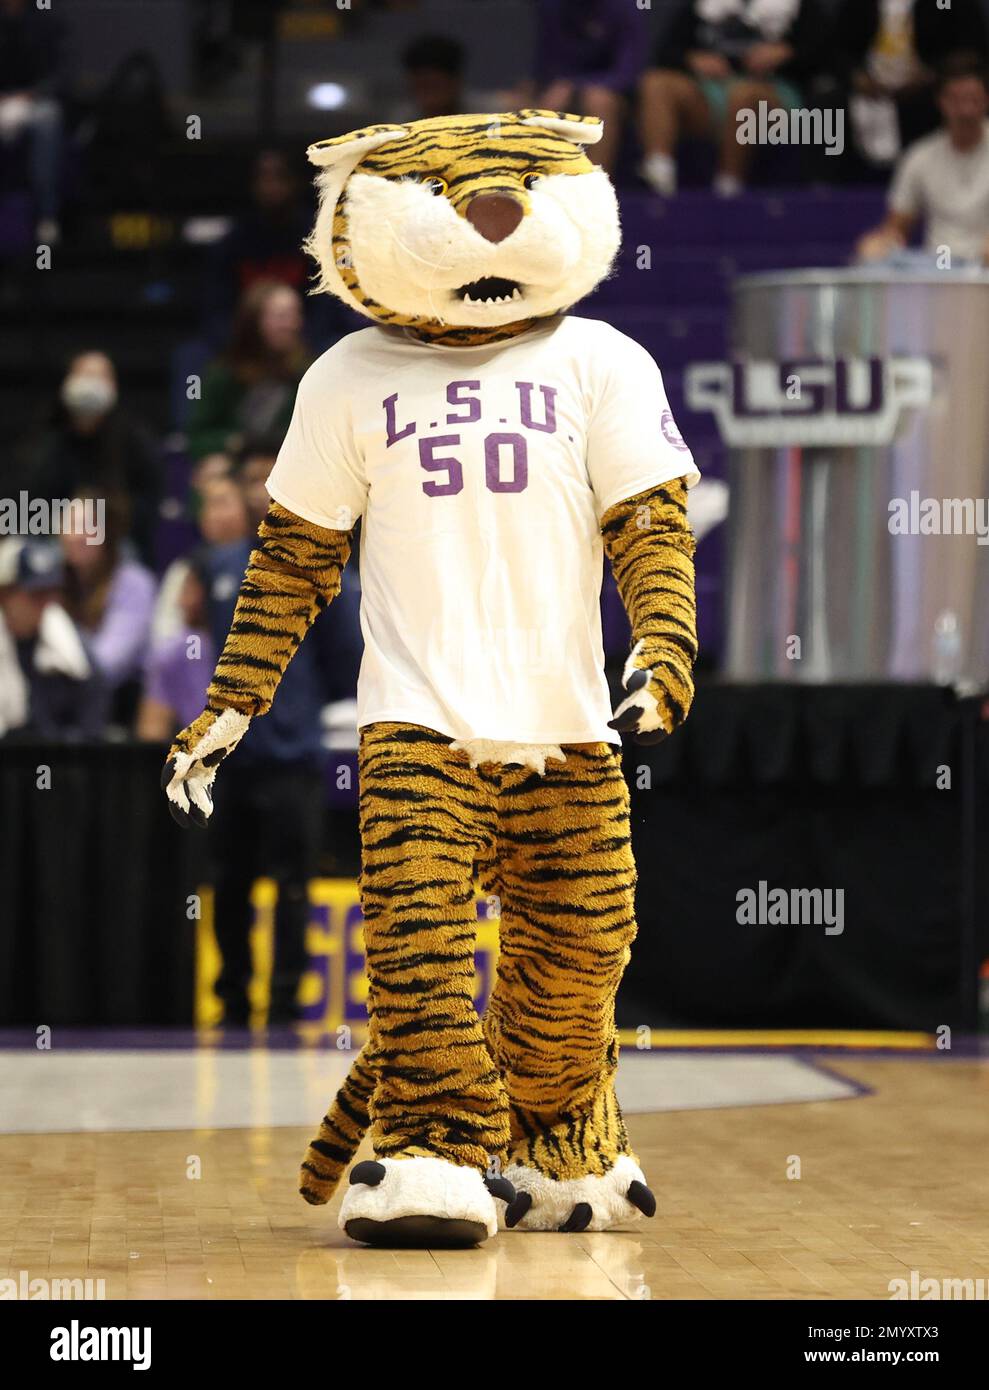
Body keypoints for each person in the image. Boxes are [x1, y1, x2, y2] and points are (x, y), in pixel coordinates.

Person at [638, 0, 821, 195]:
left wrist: (787, 53)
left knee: (743, 96)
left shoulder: (800, 5)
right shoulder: (701, 5)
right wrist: (692, 59)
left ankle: (728, 188)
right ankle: (659, 178)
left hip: (772, 94)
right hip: (711, 91)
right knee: (656, 83)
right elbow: (666, 50)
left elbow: (824, 53)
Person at [18, 351, 161, 568]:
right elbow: (33, 502)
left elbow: (148, 503)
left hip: (117, 543)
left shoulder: (135, 440)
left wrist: (104, 526)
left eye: (98, 377)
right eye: (83, 375)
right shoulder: (49, 437)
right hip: (58, 540)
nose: (89, 385)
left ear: (113, 386)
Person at [856, 54, 989, 266]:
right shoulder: (920, 156)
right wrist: (882, 242)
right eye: (957, 100)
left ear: (986, 100)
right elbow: (896, 226)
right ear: (942, 102)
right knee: (871, 255)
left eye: (973, 99)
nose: (966, 110)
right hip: (939, 268)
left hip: (984, 269)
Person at [833, 0, 988, 167]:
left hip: (929, 87)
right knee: (827, 106)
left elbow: (970, 46)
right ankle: (823, 187)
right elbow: (837, 48)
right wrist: (857, 77)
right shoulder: (859, 5)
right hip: (869, 89)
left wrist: (933, 75)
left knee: (955, 100)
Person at [59, 494, 156, 727]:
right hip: (66, 701)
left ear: (107, 535)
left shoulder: (135, 583)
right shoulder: (51, 583)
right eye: (69, 526)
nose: (75, 536)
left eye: (86, 528)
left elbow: (108, 666)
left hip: (122, 709)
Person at [187, 281, 310, 461]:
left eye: (295, 314)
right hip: (233, 464)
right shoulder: (220, 374)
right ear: (253, 321)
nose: (291, 324)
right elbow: (196, 437)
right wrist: (233, 443)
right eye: (281, 316)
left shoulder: (309, 372)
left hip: (287, 467)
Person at [0, 537, 102, 739]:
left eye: (50, 593)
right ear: (5, 594)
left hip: (57, 766)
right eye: (35, 594)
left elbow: (90, 734)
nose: (45, 604)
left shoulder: (75, 653)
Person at [530, 0, 649, 171]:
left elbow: (628, 72)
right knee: (542, 106)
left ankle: (595, 185)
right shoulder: (552, 6)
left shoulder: (626, 6)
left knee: (598, 101)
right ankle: (541, 183)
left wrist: (575, 85)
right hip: (564, 89)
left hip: (618, 94)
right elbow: (547, 63)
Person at [0, 0, 64, 243]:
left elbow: (58, 74)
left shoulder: (44, 20)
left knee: (49, 121)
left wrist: (27, 96)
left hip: (34, 101)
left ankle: (46, 216)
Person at [137, 555, 215, 740]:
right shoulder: (177, 651)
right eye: (185, 590)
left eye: (190, 590)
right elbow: (152, 731)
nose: (182, 601)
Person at [401, 34, 466, 121]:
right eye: (422, 86)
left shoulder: (487, 115)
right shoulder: (403, 120)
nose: (430, 97)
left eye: (434, 86)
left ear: (455, 81)